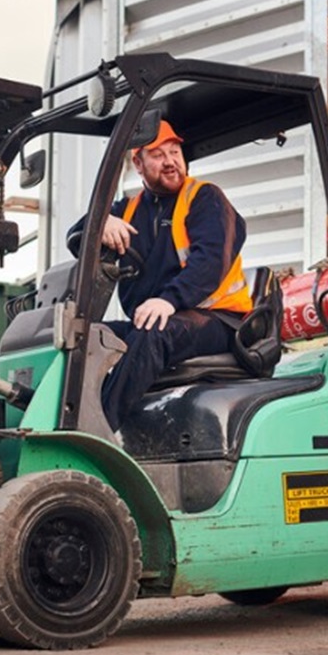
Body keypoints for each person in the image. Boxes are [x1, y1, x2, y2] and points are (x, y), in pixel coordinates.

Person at [67, 119, 252, 432]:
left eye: (175, 151)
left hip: (218, 321)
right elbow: (75, 238)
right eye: (158, 154)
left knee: (153, 333)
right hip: (159, 320)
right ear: (138, 164)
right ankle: (60, 417)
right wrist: (100, 223)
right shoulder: (128, 210)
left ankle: (96, 433)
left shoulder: (205, 198)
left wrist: (169, 300)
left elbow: (211, 262)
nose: (170, 161)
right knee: (86, 335)